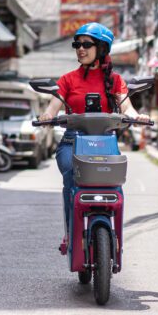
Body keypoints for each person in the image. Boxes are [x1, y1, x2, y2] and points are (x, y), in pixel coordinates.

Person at [40, 22, 140, 253]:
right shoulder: (67, 80)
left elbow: (127, 106)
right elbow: (53, 107)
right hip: (72, 142)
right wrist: (46, 116)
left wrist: (138, 116)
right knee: (71, 176)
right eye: (77, 44)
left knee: (115, 182)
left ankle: (114, 234)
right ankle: (69, 231)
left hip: (104, 142)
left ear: (102, 48)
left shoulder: (114, 80)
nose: (80, 49)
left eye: (86, 44)